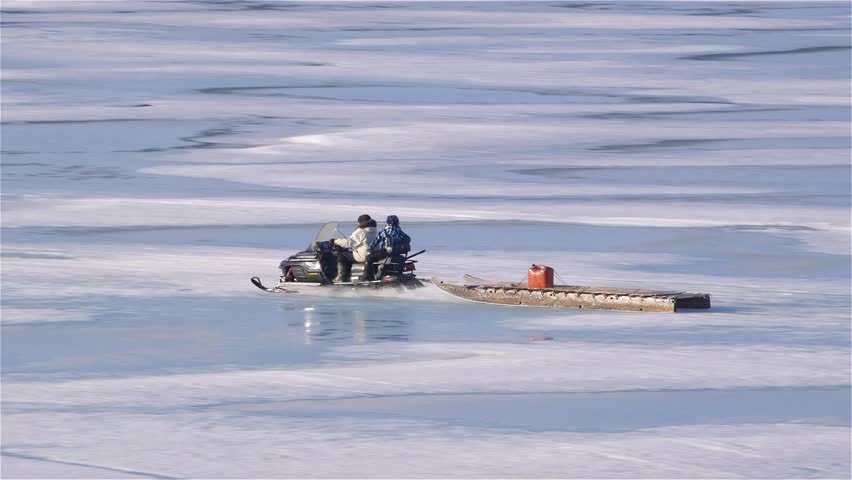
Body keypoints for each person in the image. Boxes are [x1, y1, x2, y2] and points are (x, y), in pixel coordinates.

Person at [361, 215, 411, 281]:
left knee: (369, 257)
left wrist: (370, 248)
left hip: (386, 252)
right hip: (396, 254)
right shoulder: (400, 232)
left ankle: (366, 277)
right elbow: (408, 239)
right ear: (397, 222)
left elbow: (375, 241)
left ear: (387, 222)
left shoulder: (384, 231)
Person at [332, 214, 377, 283]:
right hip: (373, 255)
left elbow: (349, 242)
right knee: (349, 254)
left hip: (363, 255)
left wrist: (335, 241)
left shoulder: (361, 231)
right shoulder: (375, 231)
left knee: (342, 255)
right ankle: (349, 276)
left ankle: (342, 277)